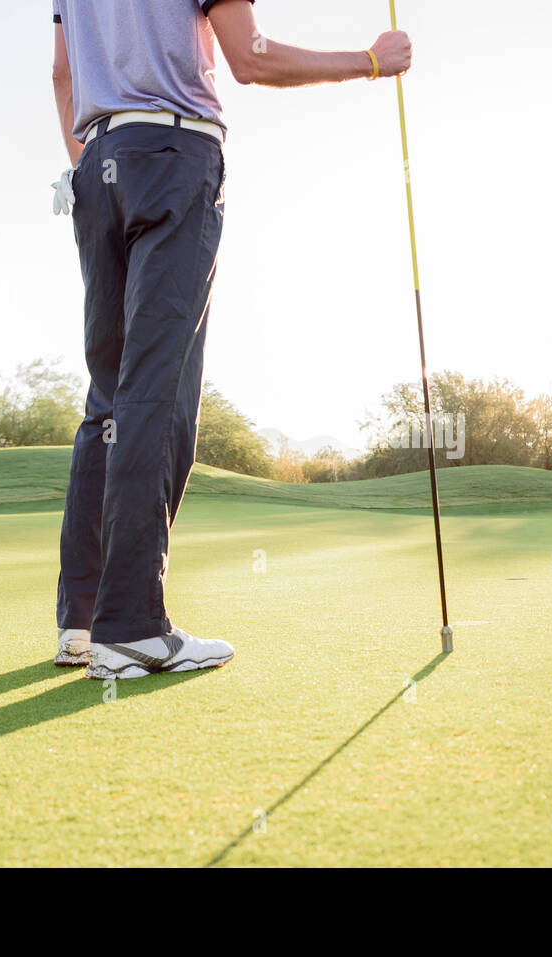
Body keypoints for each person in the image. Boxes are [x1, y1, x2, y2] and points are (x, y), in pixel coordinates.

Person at [49, 1, 413, 678]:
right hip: (173, 154)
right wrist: (369, 62)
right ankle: (129, 628)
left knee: (108, 399)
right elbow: (251, 57)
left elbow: (63, 77)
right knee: (155, 389)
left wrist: (91, 164)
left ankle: (84, 621)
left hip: (97, 166)